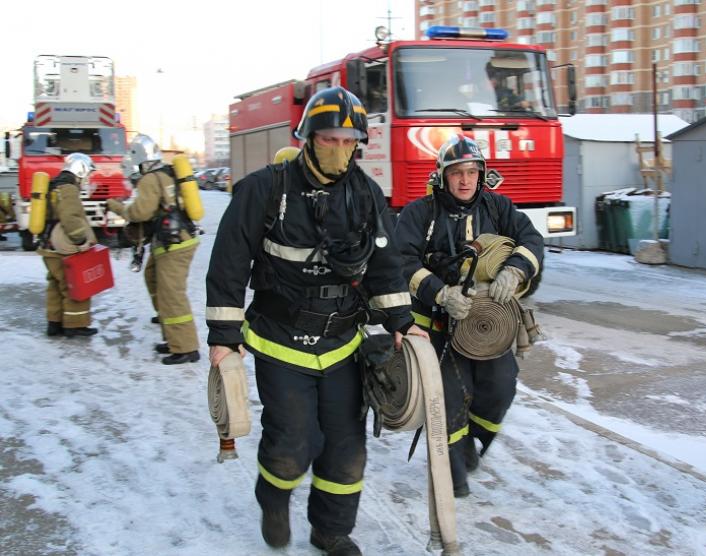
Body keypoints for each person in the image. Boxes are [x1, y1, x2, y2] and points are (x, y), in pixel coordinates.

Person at [205, 86, 426, 555]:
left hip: (343, 343)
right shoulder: (265, 189)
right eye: (330, 139)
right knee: (294, 442)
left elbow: (386, 268)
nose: (340, 151)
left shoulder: (365, 194)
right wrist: (223, 336)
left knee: (346, 450)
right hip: (279, 341)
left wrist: (403, 321)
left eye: (350, 142)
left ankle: (331, 531)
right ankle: (274, 496)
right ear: (308, 138)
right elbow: (228, 263)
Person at [394, 134, 544, 498]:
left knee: (500, 387)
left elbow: (532, 240)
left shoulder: (498, 208)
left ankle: (472, 442)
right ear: (442, 176)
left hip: (487, 327)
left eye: (472, 172)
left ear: (483, 174)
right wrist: (440, 293)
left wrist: (515, 270)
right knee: (446, 397)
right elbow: (399, 261)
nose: (465, 180)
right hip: (437, 328)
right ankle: (452, 468)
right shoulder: (419, 214)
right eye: (457, 172)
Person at [106, 135, 200, 365]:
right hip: (175, 240)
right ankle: (173, 337)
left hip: (173, 243)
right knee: (153, 280)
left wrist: (116, 207)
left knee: (172, 295)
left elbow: (140, 212)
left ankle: (186, 348)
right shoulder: (167, 173)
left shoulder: (150, 179)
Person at [38, 153, 98, 337]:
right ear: (80, 170)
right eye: (87, 173)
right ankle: (74, 325)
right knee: (72, 285)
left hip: (48, 246)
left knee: (54, 285)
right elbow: (70, 217)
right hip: (62, 247)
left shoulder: (54, 186)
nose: (87, 178)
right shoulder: (68, 189)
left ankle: (54, 324)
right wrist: (81, 240)